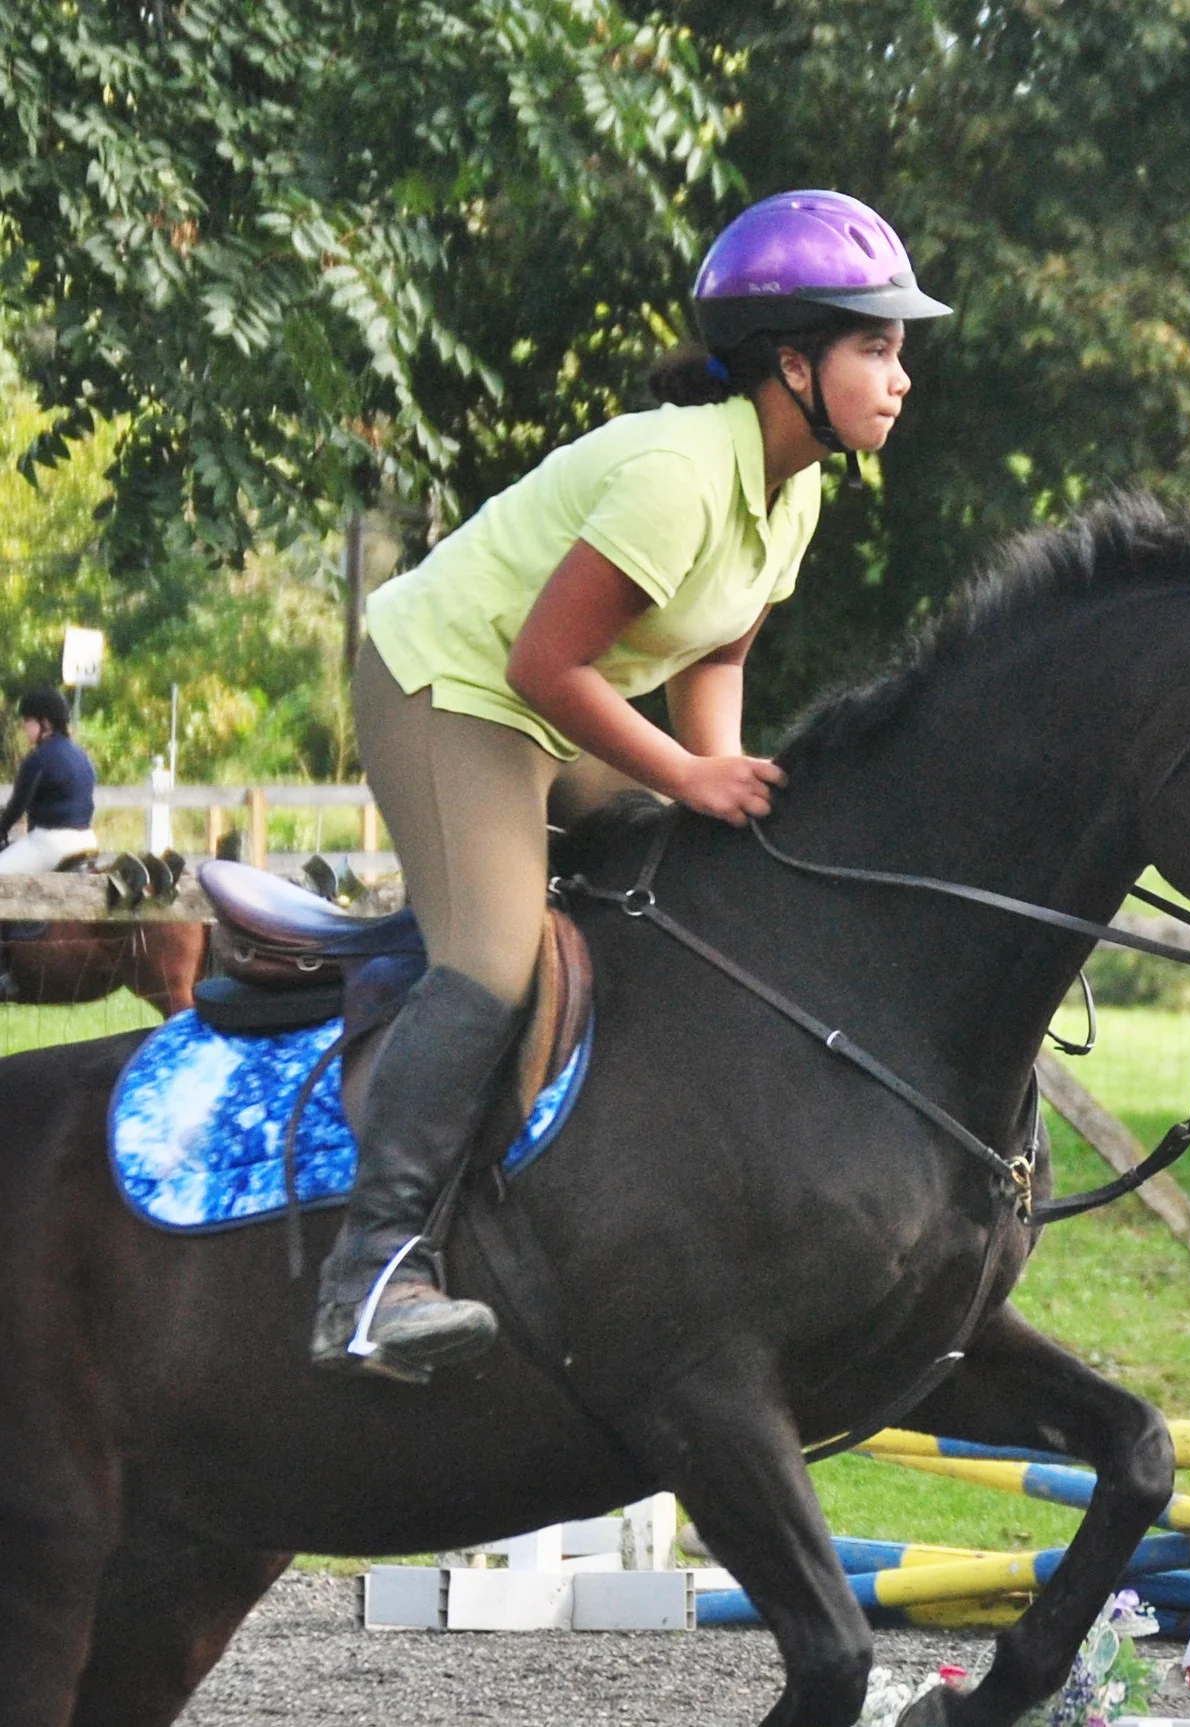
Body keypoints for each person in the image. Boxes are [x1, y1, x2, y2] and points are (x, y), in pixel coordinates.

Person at [313, 190, 953, 1383]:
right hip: (446, 687)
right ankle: (373, 1270)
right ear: (792, 363)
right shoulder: (675, 473)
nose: (899, 375)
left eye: (897, 348)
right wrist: (686, 772)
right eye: (875, 346)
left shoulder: (795, 488)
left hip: (561, 704)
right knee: (495, 954)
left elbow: (714, 655)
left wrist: (728, 783)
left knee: (702, 872)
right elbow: (537, 665)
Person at [0, 687, 98, 875]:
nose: (24, 727)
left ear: (45, 723)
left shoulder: (38, 758)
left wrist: (2, 827)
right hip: (87, 840)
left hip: (49, 843)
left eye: (28, 721)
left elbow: (16, 808)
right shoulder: (81, 755)